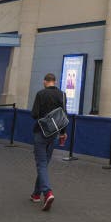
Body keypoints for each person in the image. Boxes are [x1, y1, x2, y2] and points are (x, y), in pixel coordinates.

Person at [30, 73, 68, 211]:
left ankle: (47, 192)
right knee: (44, 164)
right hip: (54, 134)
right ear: (55, 81)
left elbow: (34, 114)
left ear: (45, 81)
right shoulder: (62, 95)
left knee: (41, 164)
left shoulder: (41, 94)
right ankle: (36, 194)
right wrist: (63, 133)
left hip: (41, 132)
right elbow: (64, 115)